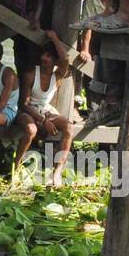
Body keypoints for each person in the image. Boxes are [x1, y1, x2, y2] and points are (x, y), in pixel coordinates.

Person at [18, 31, 77, 184]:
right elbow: (23, 105)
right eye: (43, 55)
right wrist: (44, 121)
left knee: (69, 128)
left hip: (45, 110)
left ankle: (57, 172)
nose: (44, 58)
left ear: (54, 61)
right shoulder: (31, 75)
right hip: (29, 111)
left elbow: (65, 58)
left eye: (49, 56)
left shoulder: (57, 76)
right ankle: (16, 167)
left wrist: (54, 38)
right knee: (32, 130)